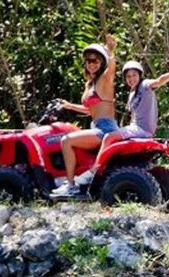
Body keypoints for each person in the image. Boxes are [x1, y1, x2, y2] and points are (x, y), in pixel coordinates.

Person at [70, 60, 169, 188]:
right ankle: (109, 171)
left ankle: (94, 171)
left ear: (140, 75)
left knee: (109, 137)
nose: (131, 79)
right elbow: (133, 117)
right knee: (113, 139)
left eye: (134, 75)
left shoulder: (144, 85)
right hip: (135, 128)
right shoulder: (132, 93)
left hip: (141, 129)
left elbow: (159, 81)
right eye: (128, 76)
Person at [50, 36, 118, 197]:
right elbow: (91, 110)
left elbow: (112, 70)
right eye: (88, 61)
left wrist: (110, 51)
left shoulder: (103, 80)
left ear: (102, 62)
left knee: (66, 141)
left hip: (105, 128)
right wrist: (69, 106)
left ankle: (71, 185)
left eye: (95, 60)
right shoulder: (90, 84)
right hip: (97, 125)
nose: (91, 64)